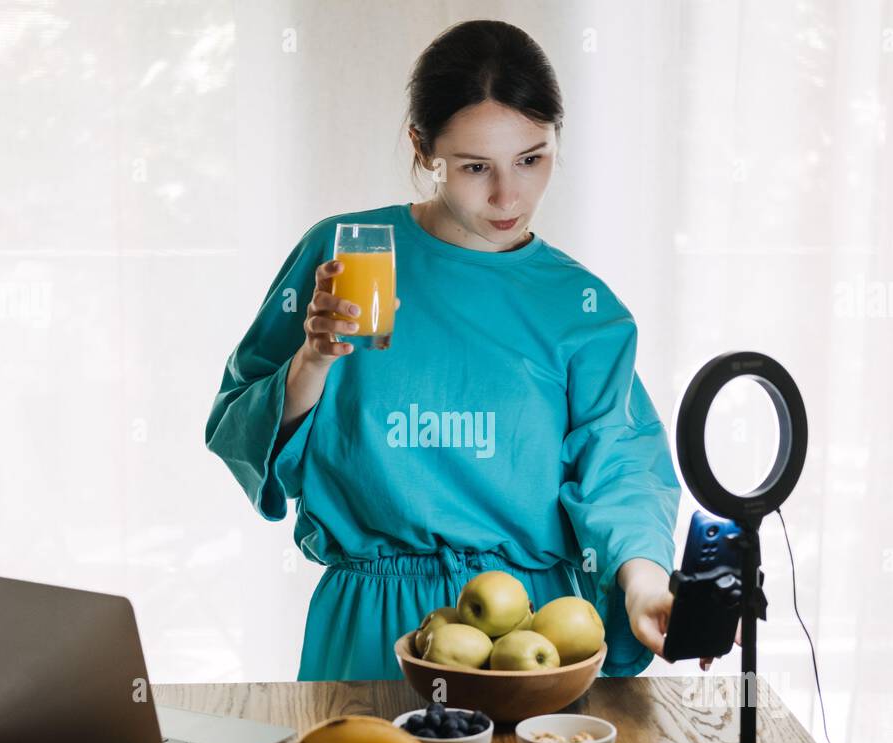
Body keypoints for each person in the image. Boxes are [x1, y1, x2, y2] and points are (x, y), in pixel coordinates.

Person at [206, 19, 733, 681]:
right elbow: (239, 427)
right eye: (476, 166)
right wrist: (312, 358)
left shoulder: (578, 306)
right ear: (423, 148)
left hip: (531, 636)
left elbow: (622, 467)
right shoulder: (345, 254)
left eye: (532, 158)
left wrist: (645, 584)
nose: (509, 196)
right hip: (374, 625)